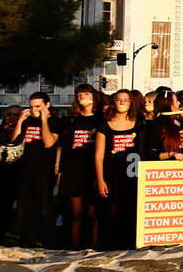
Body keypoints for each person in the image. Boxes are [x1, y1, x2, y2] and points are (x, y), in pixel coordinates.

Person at [95, 89, 142, 249]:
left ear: (131, 104)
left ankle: (129, 243)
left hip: (132, 174)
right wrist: (100, 179)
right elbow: (99, 156)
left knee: (130, 210)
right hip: (110, 174)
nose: (122, 102)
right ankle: (109, 244)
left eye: (126, 100)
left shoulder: (139, 124)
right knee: (111, 210)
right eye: (118, 99)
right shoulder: (104, 125)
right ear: (113, 102)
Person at [12, 92, 60, 248]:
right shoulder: (27, 121)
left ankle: (49, 243)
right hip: (24, 170)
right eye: (31, 106)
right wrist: (20, 121)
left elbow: (49, 143)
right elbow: (14, 142)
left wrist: (44, 120)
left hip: (43, 172)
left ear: (47, 105)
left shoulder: (54, 121)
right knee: (24, 211)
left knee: (45, 209)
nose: (34, 110)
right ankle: (27, 242)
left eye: (38, 106)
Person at [59, 83, 102, 249]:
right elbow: (65, 149)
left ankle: (94, 246)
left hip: (92, 169)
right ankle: (74, 246)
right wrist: (61, 171)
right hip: (73, 170)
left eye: (86, 93)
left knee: (93, 213)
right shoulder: (72, 120)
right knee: (75, 213)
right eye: (79, 94)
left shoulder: (100, 120)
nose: (82, 96)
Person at [0, 104, 24, 245]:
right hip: (4, 174)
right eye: (9, 114)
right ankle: (0, 235)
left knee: (23, 208)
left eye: (16, 114)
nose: (12, 117)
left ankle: (24, 236)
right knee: (4, 206)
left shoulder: (24, 130)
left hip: (21, 173)